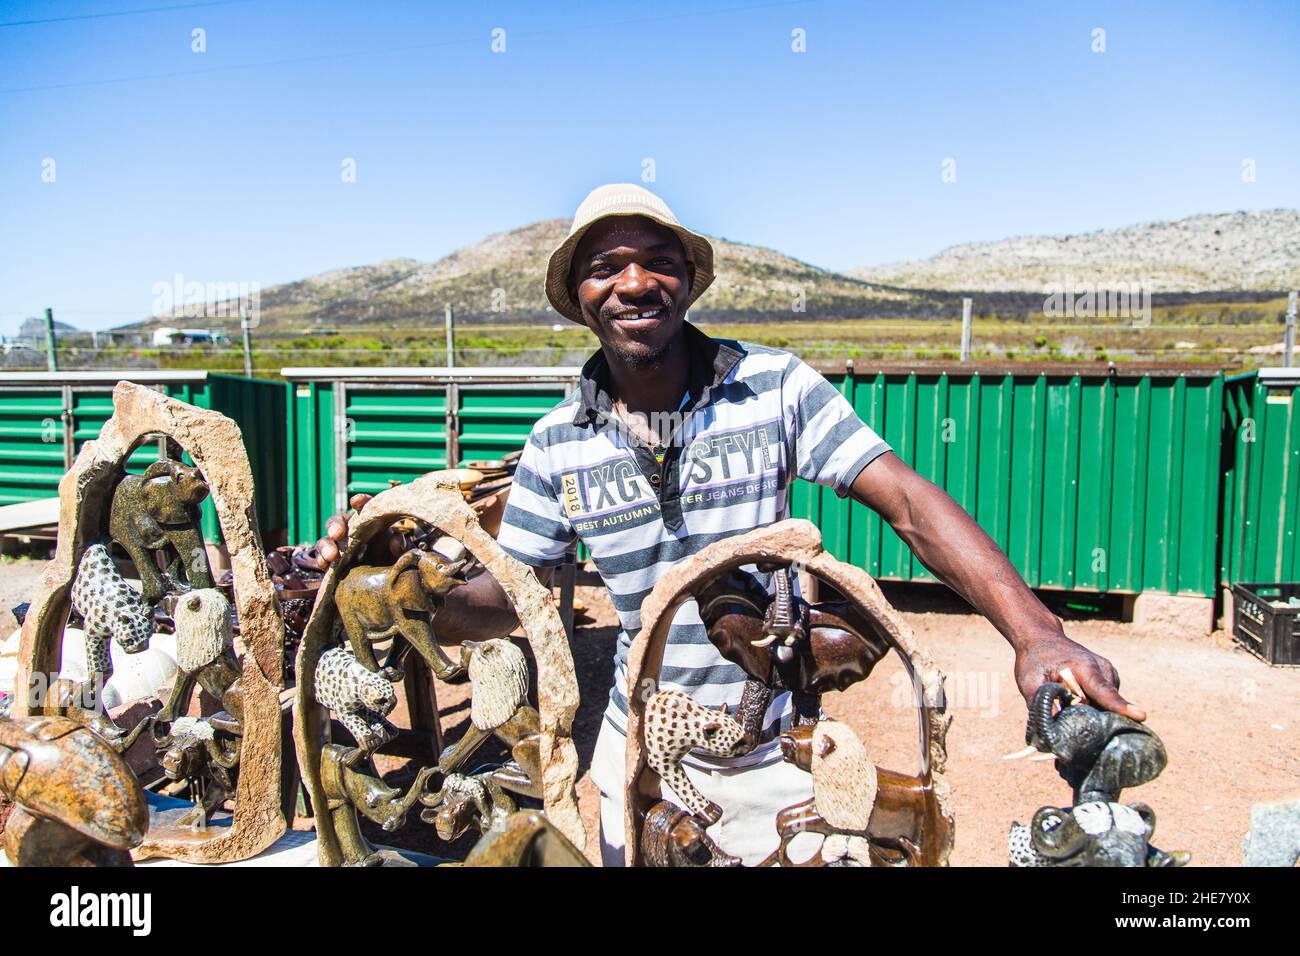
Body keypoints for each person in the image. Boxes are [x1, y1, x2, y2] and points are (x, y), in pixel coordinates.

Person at [318, 183, 1144, 866]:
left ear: (689, 282)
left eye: (659, 264)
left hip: (775, 754)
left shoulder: (773, 388)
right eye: (607, 268)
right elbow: (515, 596)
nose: (635, 284)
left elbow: (906, 500)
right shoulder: (557, 441)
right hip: (635, 759)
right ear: (580, 296)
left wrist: (1037, 635)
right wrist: (403, 589)